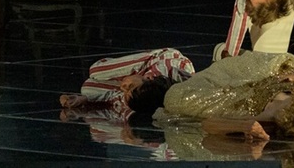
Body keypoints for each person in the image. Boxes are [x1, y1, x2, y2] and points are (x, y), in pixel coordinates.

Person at [158, 50, 294, 140]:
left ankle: (225, 61)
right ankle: (234, 56)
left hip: (240, 96)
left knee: (176, 98)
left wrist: (243, 125)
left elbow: (209, 124)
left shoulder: (269, 122)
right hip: (270, 73)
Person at [59, 47, 194, 117]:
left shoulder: (144, 97)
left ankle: (124, 81)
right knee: (95, 70)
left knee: (88, 89)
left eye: (125, 90)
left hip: (151, 88)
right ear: (148, 78)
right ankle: (128, 77)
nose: (123, 87)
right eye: (129, 86)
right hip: (160, 58)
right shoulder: (168, 67)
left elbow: (117, 99)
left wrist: (84, 99)